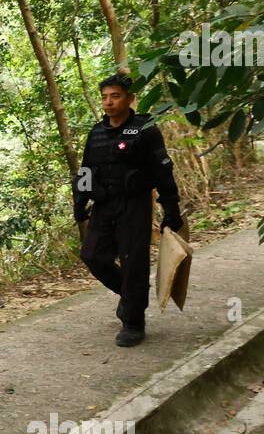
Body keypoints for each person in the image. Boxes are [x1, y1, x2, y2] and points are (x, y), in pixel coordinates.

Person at [73, 74, 184, 347]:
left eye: (115, 96)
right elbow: (86, 169)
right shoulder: (97, 132)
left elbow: (162, 170)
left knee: (133, 261)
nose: (108, 103)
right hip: (103, 204)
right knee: (93, 256)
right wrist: (80, 202)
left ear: (130, 98)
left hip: (134, 204)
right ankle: (131, 297)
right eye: (104, 97)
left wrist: (171, 208)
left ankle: (133, 322)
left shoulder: (145, 128)